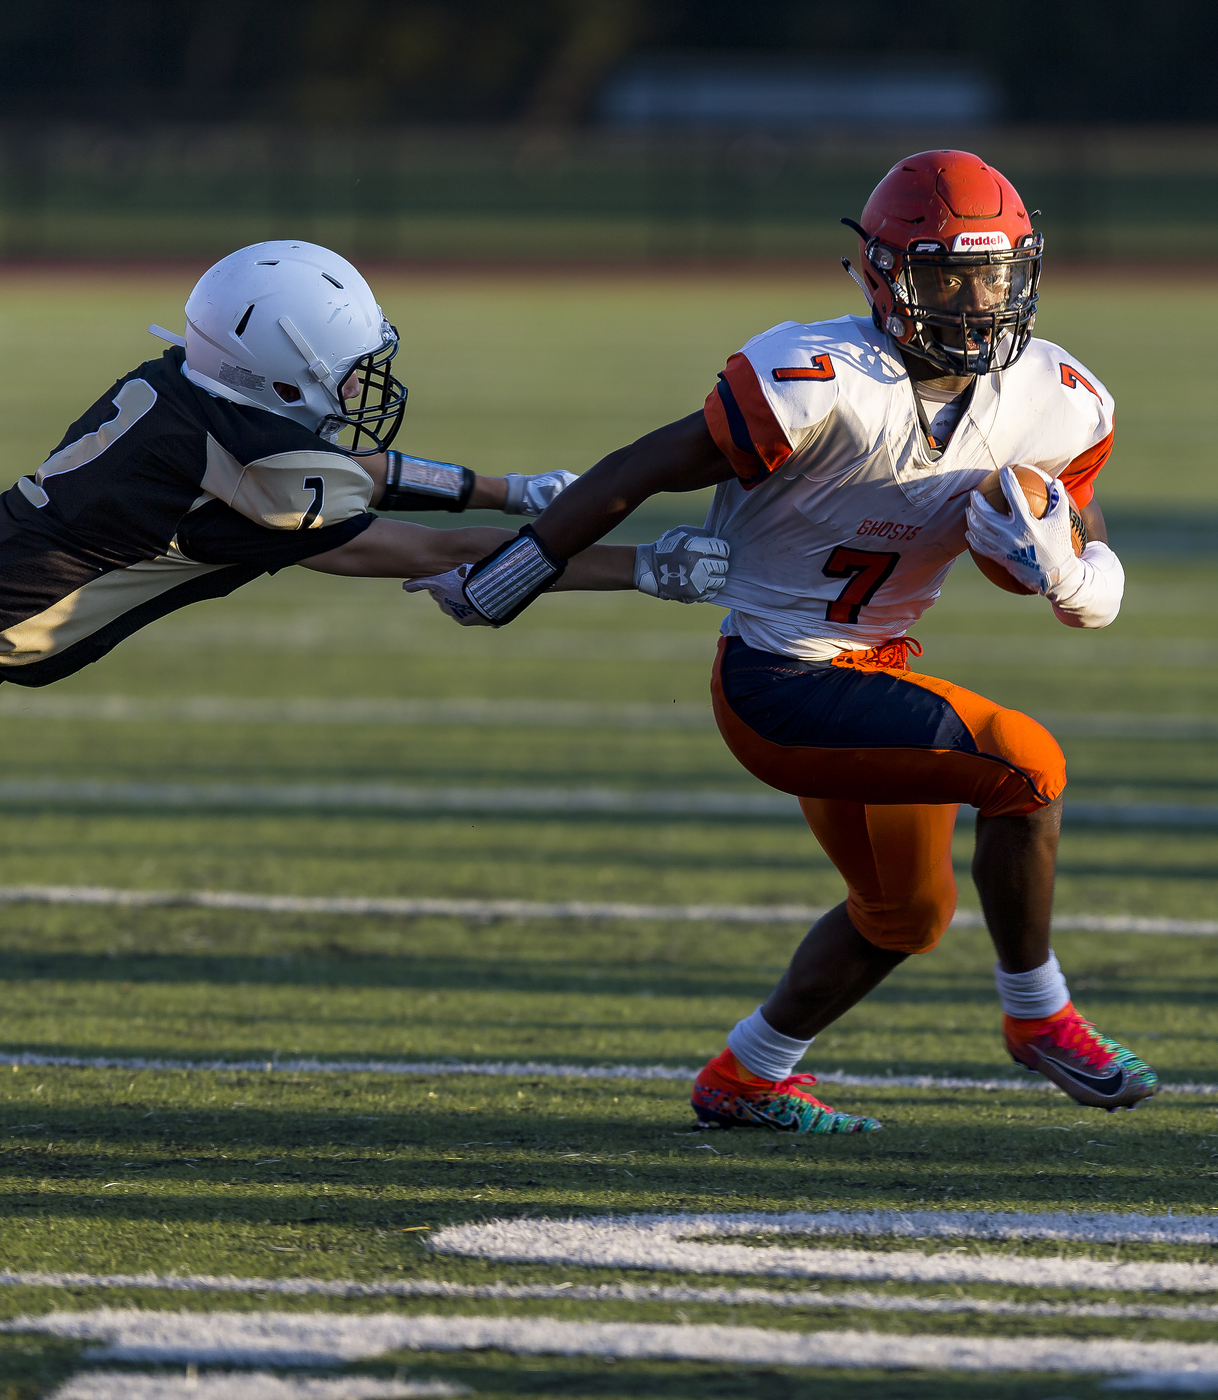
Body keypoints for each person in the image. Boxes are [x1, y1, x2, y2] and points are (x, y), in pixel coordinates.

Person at [418, 151, 1155, 1131]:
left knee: (907, 912)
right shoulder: (822, 378)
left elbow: (1078, 516)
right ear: (882, 278)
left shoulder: (1055, 395)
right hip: (776, 680)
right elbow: (642, 466)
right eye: (946, 275)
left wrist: (1076, 568)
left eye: (994, 274)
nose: (975, 301)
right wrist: (516, 573)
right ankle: (1040, 1014)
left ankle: (748, 1073)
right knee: (1026, 763)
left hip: (874, 673)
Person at [0, 241, 727, 947]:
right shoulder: (267, 476)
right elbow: (446, 552)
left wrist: (513, 487)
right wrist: (646, 566)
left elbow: (348, 477)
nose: (362, 389)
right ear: (281, 372)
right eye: (350, 372)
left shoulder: (180, 387)